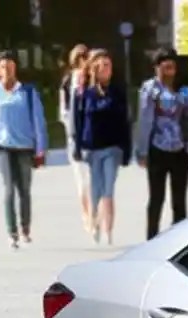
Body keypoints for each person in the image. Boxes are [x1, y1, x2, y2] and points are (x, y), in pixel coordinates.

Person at [0, 49, 49, 249]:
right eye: (2, 67)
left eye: (9, 66)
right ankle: (12, 232)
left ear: (15, 68)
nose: (6, 70)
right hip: (3, 147)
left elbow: (38, 121)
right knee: (9, 189)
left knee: (24, 190)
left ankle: (25, 228)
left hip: (25, 146)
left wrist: (41, 148)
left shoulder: (27, 92)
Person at [136, 47, 188, 240]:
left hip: (180, 149)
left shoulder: (185, 89)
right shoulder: (150, 89)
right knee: (156, 198)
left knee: (179, 199)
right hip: (157, 148)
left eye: (171, 66)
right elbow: (145, 121)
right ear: (157, 68)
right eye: (164, 66)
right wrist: (142, 151)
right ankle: (151, 237)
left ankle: (179, 239)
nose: (168, 70)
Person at [73, 48, 131, 245]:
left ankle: (109, 230)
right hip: (91, 148)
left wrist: (127, 148)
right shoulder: (84, 94)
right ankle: (94, 221)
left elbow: (125, 120)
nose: (108, 69)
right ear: (95, 69)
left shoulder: (118, 92)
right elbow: (77, 120)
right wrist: (77, 146)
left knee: (108, 189)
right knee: (94, 189)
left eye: (109, 65)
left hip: (112, 147)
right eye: (104, 66)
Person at [59, 44, 92, 232]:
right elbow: (63, 110)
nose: (82, 63)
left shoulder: (92, 80)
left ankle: (94, 211)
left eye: (85, 58)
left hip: (93, 137)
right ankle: (86, 213)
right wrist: (71, 128)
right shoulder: (67, 82)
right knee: (82, 180)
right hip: (74, 137)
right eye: (78, 60)